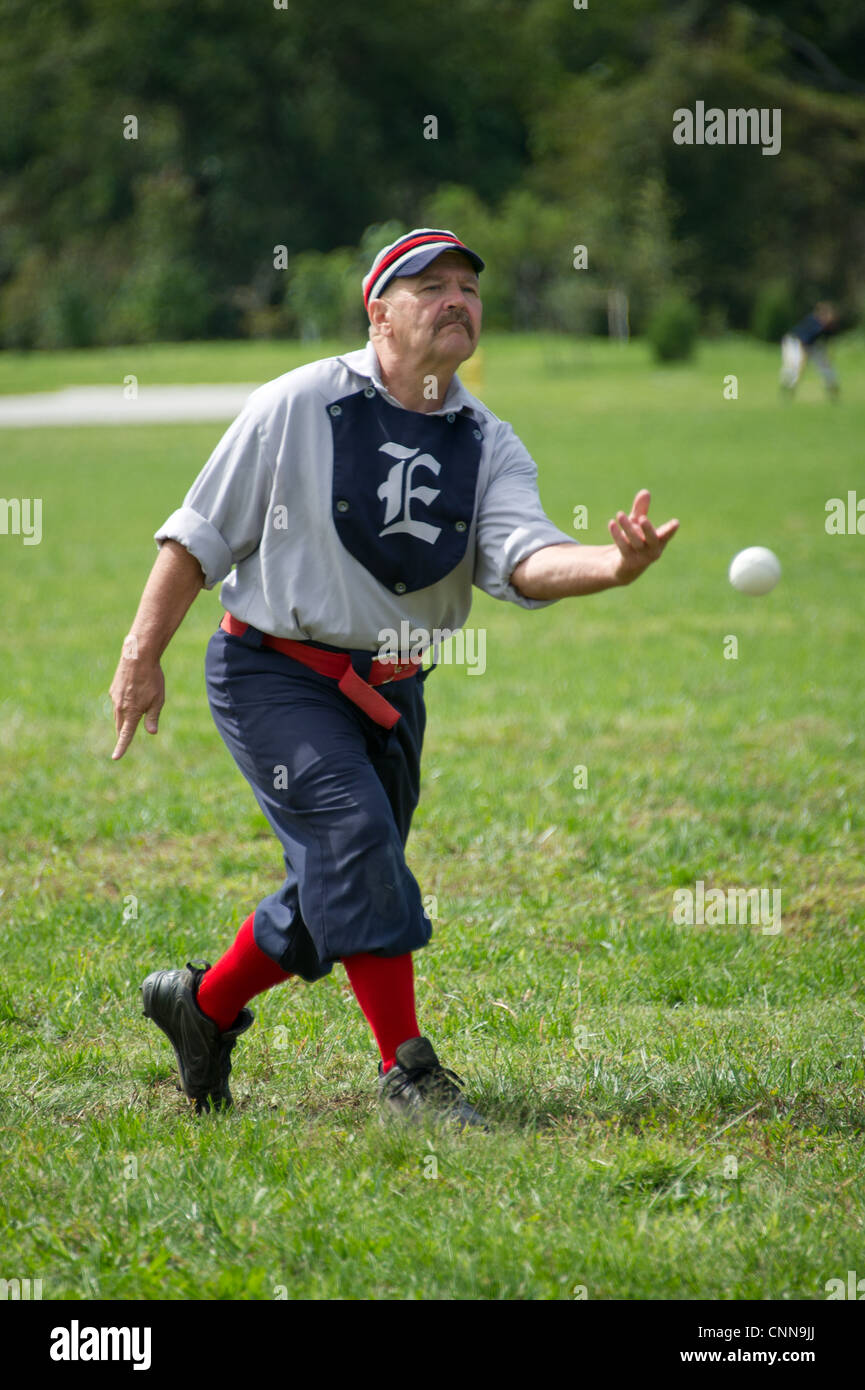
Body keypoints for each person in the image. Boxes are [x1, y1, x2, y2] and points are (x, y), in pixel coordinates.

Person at [109, 227, 679, 1129]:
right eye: (431, 287)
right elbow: (198, 534)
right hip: (273, 672)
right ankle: (408, 1075)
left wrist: (610, 568)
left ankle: (201, 1008)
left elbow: (523, 558)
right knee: (353, 836)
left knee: (333, 882)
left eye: (469, 288)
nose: (457, 300)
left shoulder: (488, 441)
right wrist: (141, 656)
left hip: (392, 690)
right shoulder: (297, 401)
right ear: (379, 312)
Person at [779, 302, 840, 398]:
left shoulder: (828, 326)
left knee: (825, 365)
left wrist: (829, 356)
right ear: (821, 315)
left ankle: (833, 388)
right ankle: (788, 388)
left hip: (813, 345)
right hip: (794, 343)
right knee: (794, 365)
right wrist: (803, 362)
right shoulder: (814, 326)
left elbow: (829, 342)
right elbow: (804, 344)